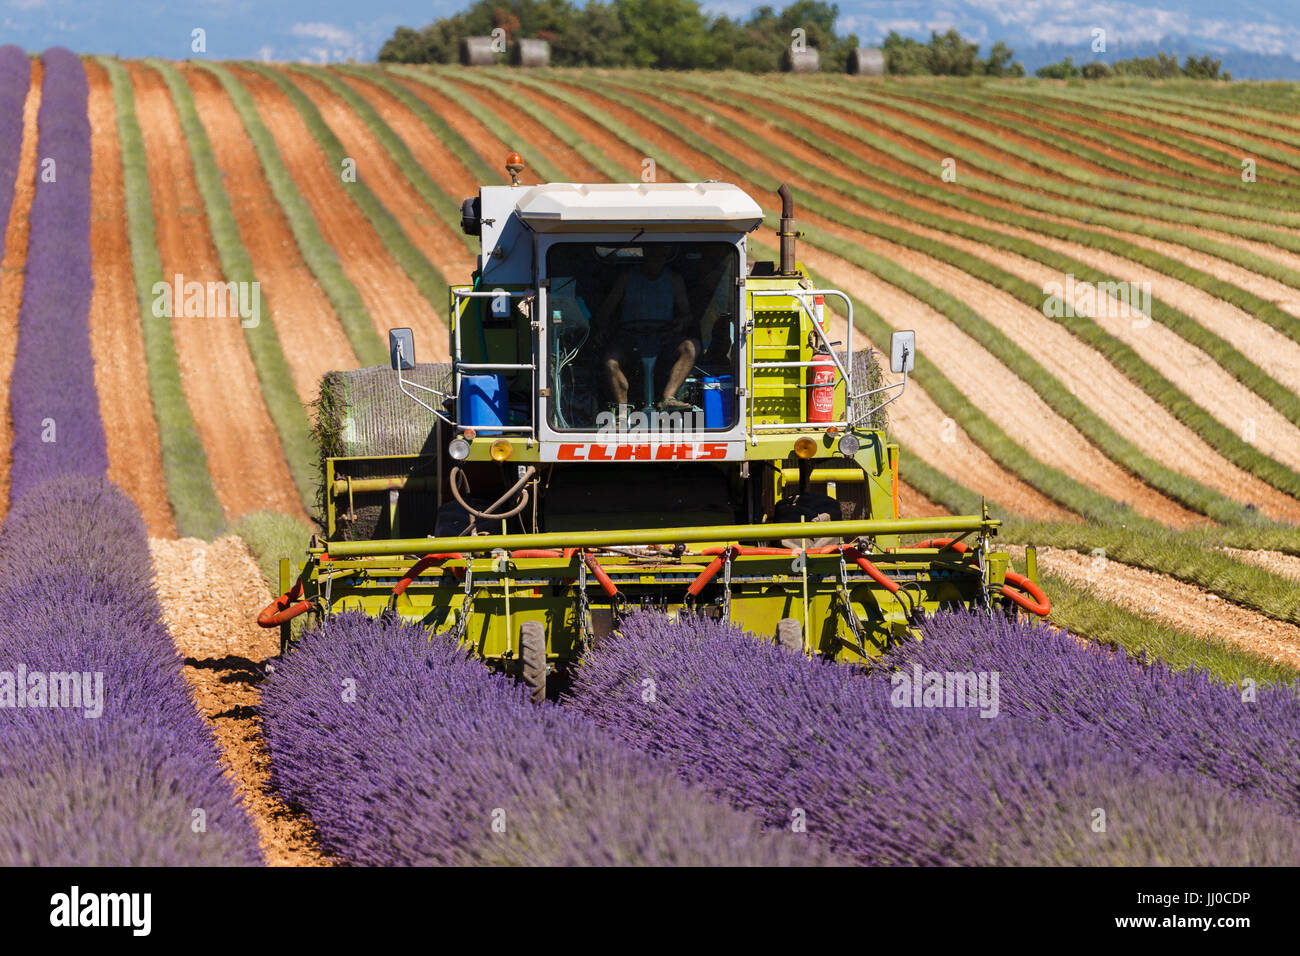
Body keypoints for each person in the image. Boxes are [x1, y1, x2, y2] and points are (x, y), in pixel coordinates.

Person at [592, 244, 697, 412]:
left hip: (664, 338)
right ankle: (622, 409)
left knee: (690, 348)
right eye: (653, 252)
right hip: (631, 338)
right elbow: (607, 309)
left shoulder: (674, 279)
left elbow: (687, 314)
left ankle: (669, 398)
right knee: (611, 361)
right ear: (645, 252)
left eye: (661, 253)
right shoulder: (627, 277)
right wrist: (602, 328)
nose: (657, 257)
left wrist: (680, 323)